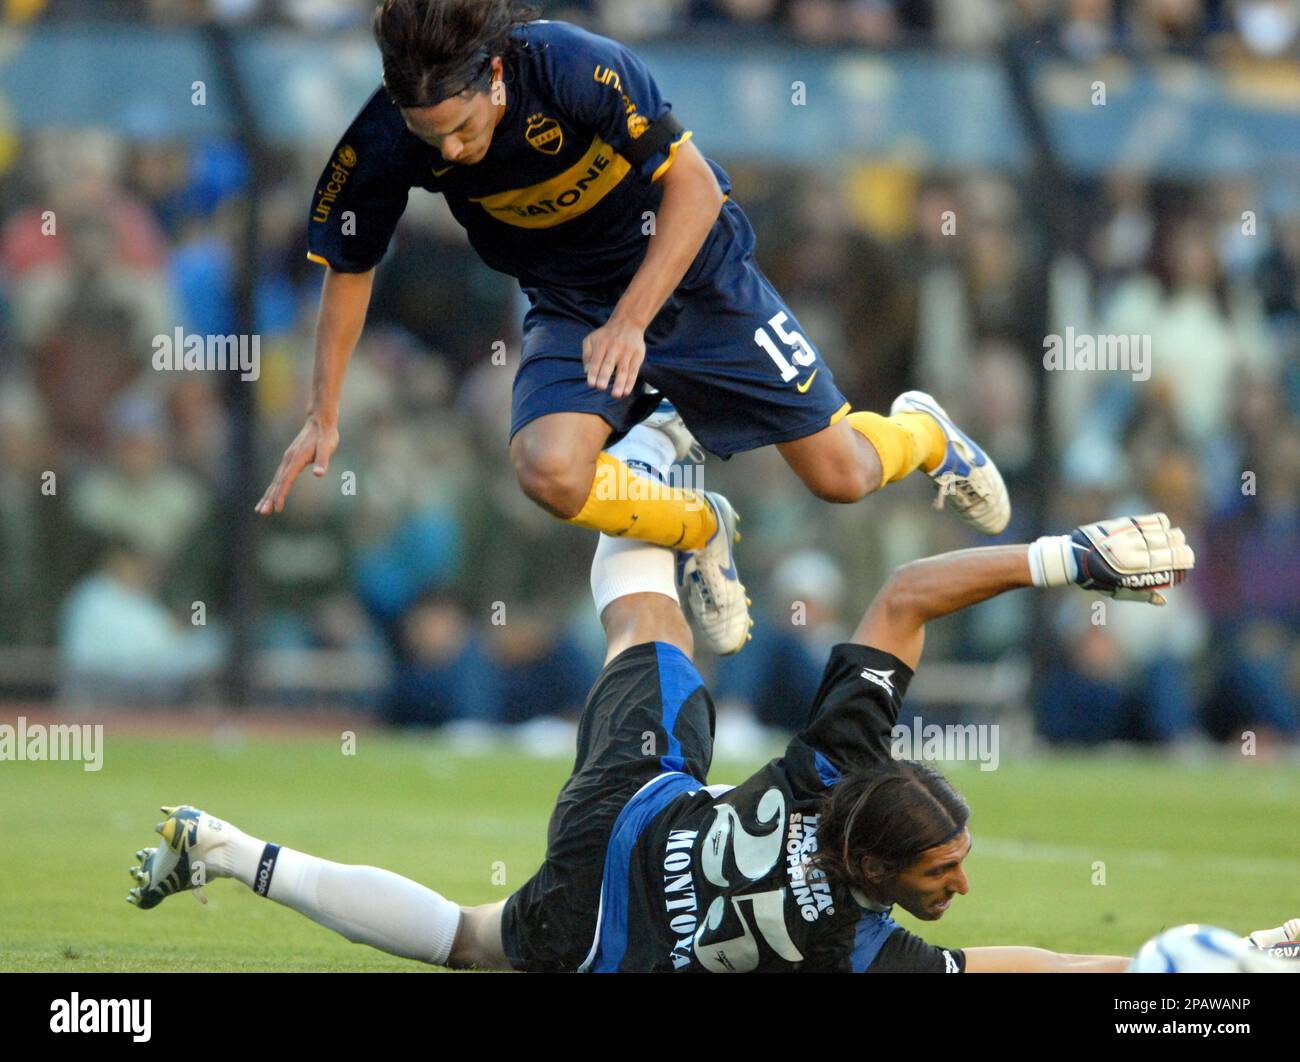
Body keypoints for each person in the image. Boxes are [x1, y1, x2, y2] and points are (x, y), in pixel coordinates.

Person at [137, 423, 1250, 973]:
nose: (963, 884)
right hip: (608, 922)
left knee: (637, 613)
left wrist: (1063, 559)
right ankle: (667, 445)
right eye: (944, 870)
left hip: (628, 816)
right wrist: (1156, 971)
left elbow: (909, 590)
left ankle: (665, 477)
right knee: (471, 945)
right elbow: (1020, 973)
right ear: (874, 871)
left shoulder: (834, 766)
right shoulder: (855, 955)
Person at [253, 0, 1011, 655]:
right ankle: (697, 527)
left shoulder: (576, 66)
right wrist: (324, 413)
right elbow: (350, 266)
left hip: (695, 277)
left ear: (493, 76)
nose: (447, 151)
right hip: (573, 300)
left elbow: (695, 187)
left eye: (456, 128)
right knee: (549, 470)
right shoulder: (386, 136)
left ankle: (926, 434)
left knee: (841, 476)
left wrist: (632, 321)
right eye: (430, 138)